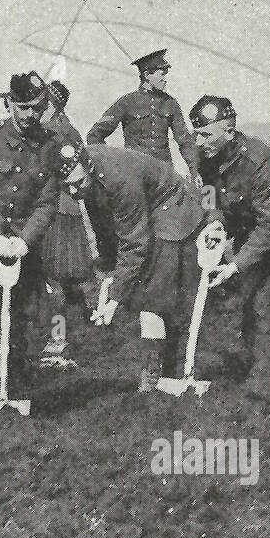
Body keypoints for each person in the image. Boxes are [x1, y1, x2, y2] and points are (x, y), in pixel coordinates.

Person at [55, 141, 207, 393]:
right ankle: (163, 371)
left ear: (89, 167)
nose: (73, 190)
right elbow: (103, 224)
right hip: (149, 208)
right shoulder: (86, 178)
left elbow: (135, 242)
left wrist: (115, 297)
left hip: (173, 208)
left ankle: (154, 374)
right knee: (148, 291)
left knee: (151, 293)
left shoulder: (118, 178)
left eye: (77, 182)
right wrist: (107, 272)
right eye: (67, 186)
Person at [191, 95, 270, 400]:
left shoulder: (260, 161)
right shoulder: (205, 158)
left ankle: (264, 395)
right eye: (196, 133)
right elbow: (211, 199)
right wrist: (214, 223)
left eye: (205, 134)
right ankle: (261, 372)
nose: (198, 140)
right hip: (249, 238)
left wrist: (234, 264)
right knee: (249, 309)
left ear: (229, 132)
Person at [0, 71, 60, 407]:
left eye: (36, 107)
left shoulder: (48, 145)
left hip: (21, 240)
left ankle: (13, 374)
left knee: (21, 310)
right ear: (10, 104)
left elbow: (47, 202)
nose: (29, 114)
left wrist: (25, 240)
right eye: (22, 107)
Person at [36, 80, 100, 370]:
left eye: (43, 105)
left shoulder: (55, 133)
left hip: (57, 212)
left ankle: (58, 338)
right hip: (65, 210)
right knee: (75, 275)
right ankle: (98, 314)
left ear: (54, 106)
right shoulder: (68, 129)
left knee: (55, 279)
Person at [85, 48, 200, 185]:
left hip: (164, 176)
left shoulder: (171, 104)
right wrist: (111, 164)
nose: (165, 80)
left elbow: (185, 141)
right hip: (135, 175)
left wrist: (195, 171)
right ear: (147, 75)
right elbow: (94, 135)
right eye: (162, 75)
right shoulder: (126, 102)